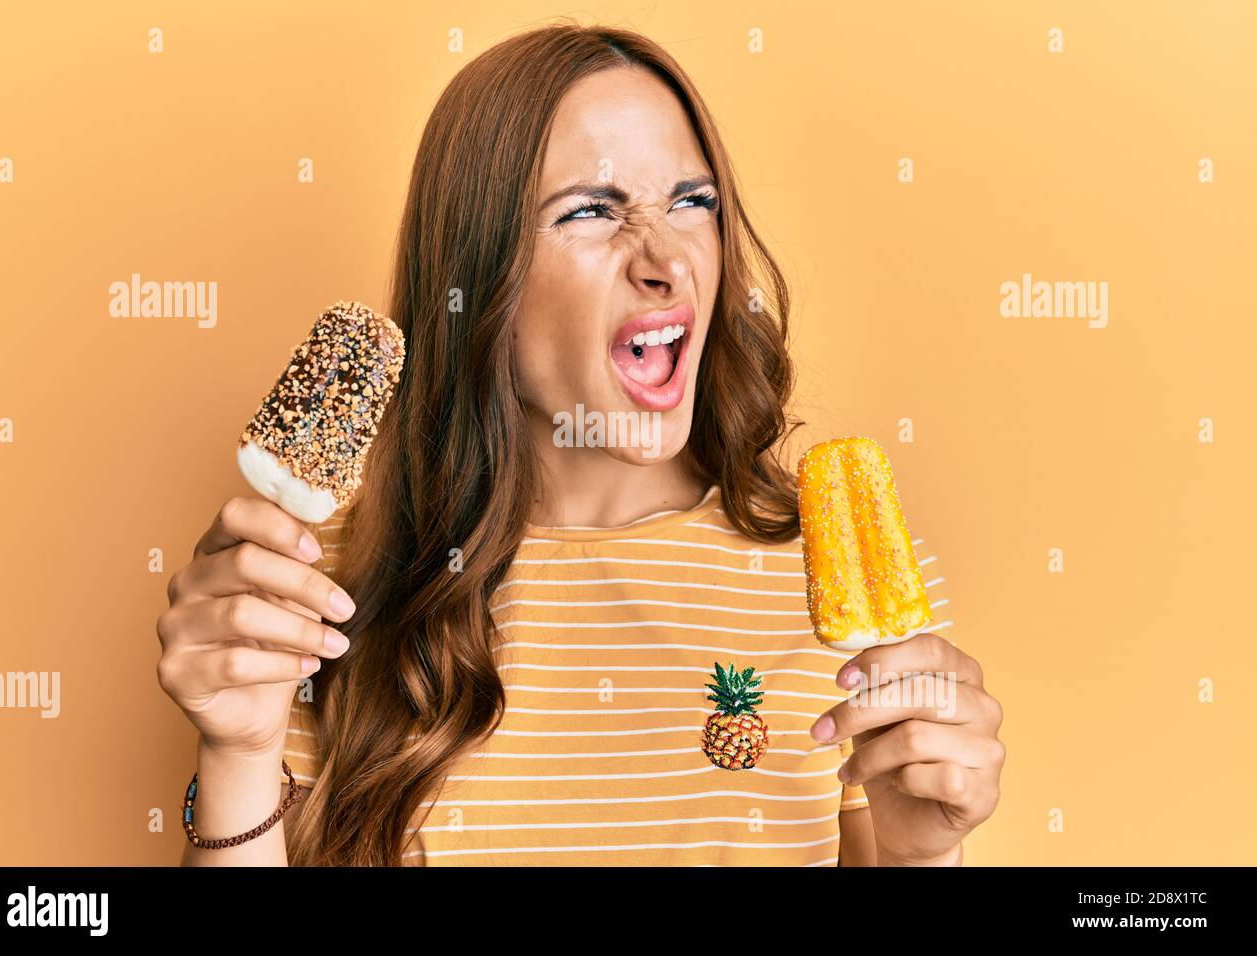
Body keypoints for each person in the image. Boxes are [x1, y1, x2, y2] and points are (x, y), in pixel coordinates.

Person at [156, 21, 1004, 866]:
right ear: (479, 274)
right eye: (592, 210)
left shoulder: (838, 591)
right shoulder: (318, 598)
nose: (666, 259)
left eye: (692, 202)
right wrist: (236, 755)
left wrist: (919, 856)